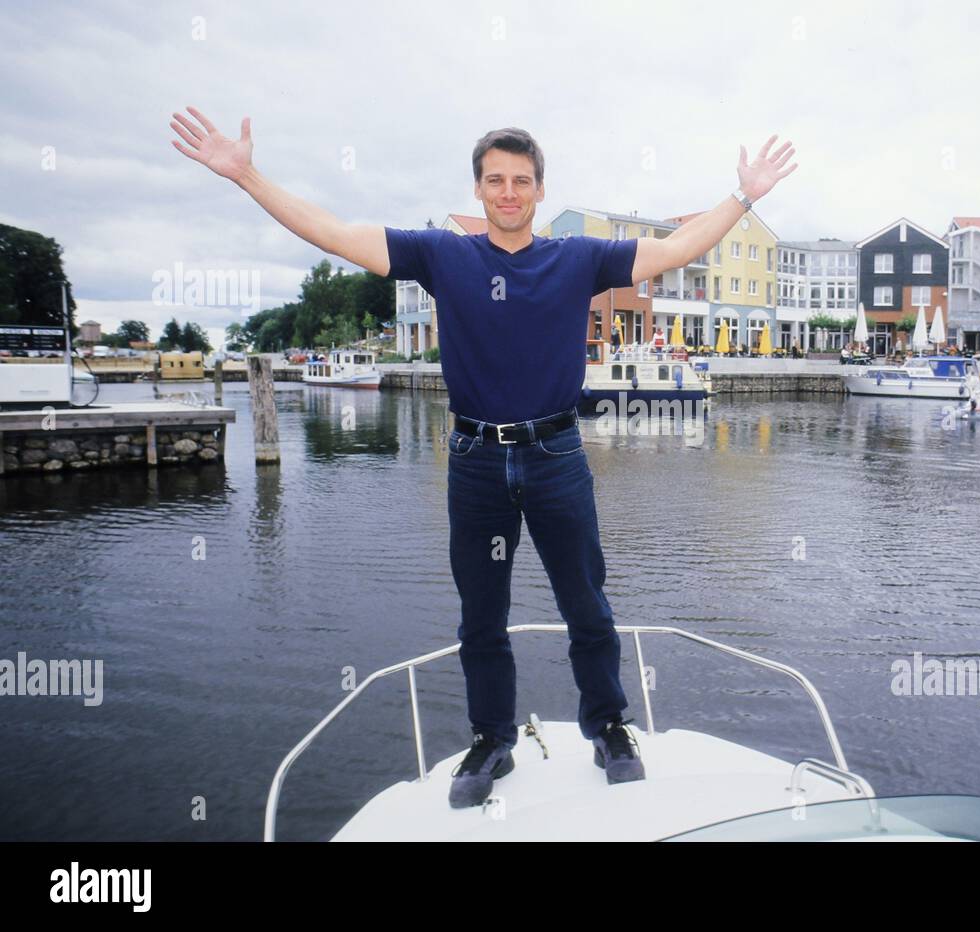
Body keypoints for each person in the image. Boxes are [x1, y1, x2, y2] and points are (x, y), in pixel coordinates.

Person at [170, 107, 798, 808]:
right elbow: (338, 234)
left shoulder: (578, 258)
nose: (508, 191)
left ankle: (609, 726)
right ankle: (492, 739)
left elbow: (677, 249)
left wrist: (743, 197)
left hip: (556, 453)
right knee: (481, 613)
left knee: (585, 600)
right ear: (479, 190)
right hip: (474, 458)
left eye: (521, 181)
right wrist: (247, 175)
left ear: (538, 192)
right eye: (495, 180)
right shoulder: (444, 255)